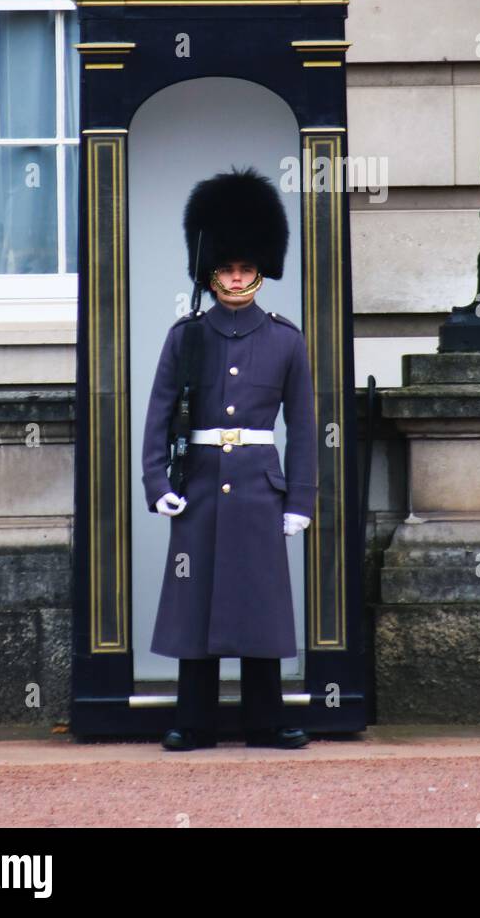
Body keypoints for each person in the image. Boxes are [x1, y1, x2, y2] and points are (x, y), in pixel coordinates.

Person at [141, 165, 318, 750]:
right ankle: (195, 721)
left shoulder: (286, 340)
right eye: (227, 267)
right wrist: (155, 480)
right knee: (195, 604)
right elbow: (160, 415)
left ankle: (265, 721)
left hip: (258, 486)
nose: (237, 275)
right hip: (200, 479)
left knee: (261, 600)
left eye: (246, 267)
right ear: (211, 271)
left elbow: (304, 427)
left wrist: (300, 499)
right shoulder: (185, 336)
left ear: (260, 269)